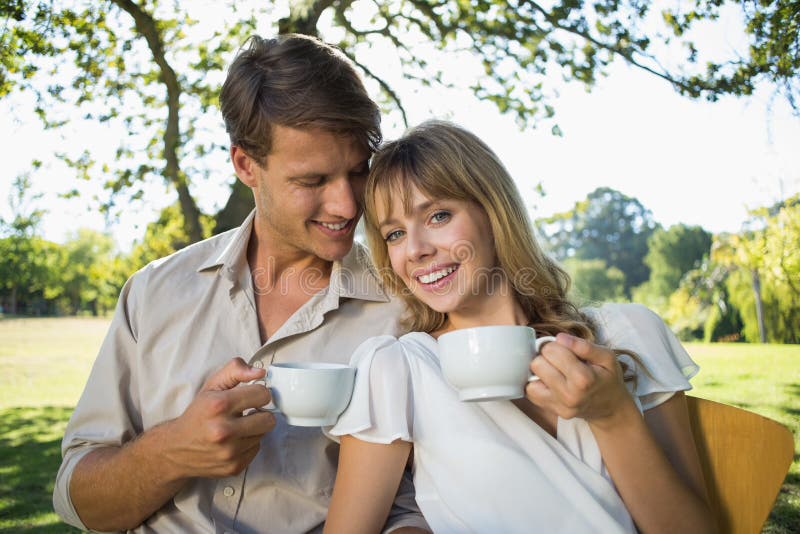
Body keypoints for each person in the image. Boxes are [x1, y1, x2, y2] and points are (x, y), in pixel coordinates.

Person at [53, 34, 430, 533]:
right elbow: (80, 504)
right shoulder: (152, 293)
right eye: (312, 181)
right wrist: (172, 451)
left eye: (358, 172)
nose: (346, 205)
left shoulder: (408, 308)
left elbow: (423, 500)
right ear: (245, 165)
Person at [322, 120, 717, 533]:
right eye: (395, 233)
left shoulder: (628, 335)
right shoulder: (397, 370)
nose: (416, 250)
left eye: (438, 215)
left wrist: (613, 416)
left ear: (494, 214)